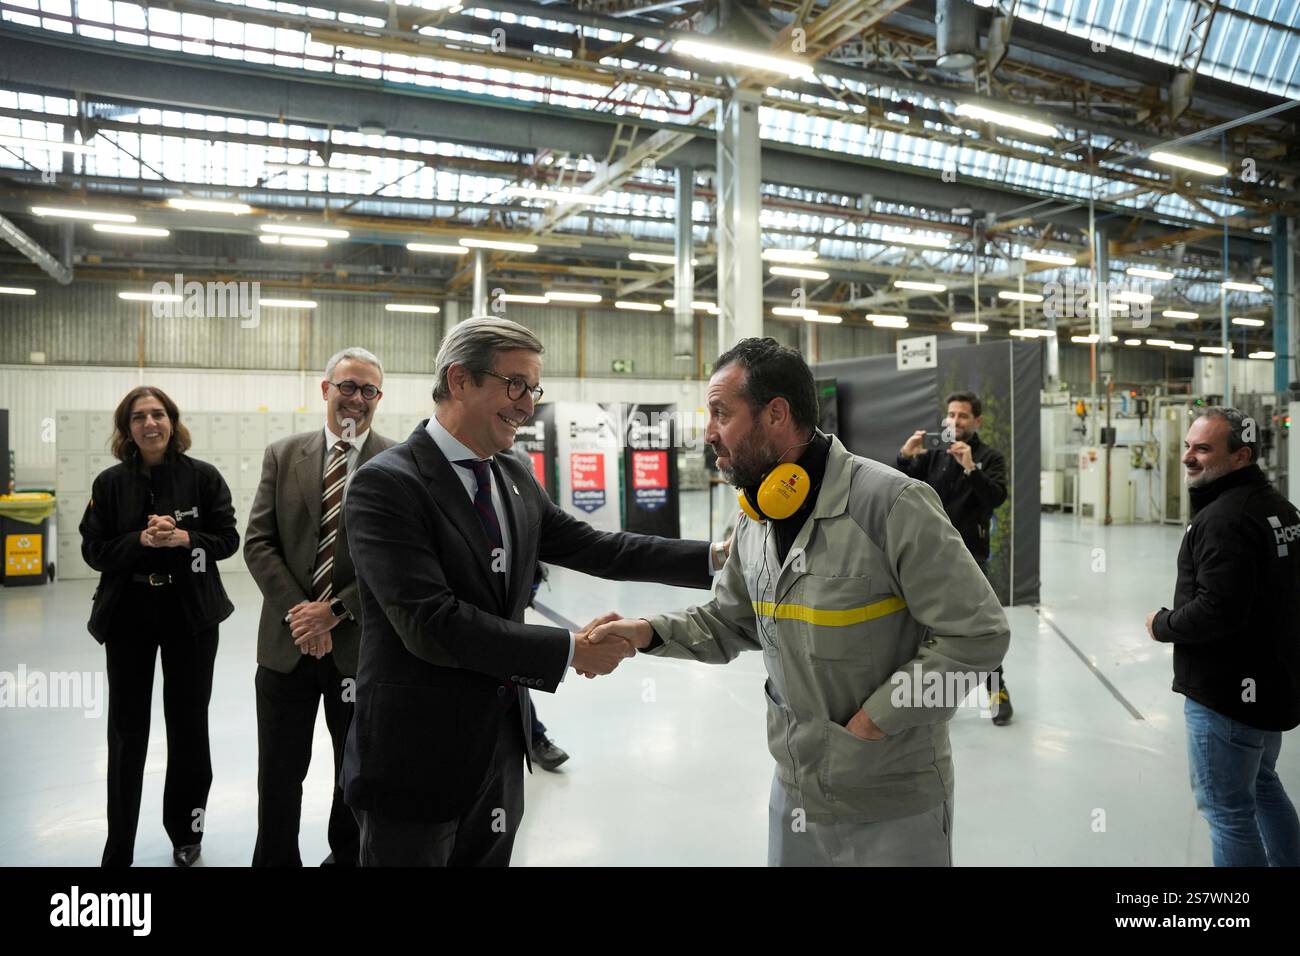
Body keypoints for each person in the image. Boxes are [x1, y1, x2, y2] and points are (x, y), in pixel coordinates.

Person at [589, 338, 1008, 866]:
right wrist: (646, 632)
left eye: (722, 412)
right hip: (793, 789)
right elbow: (731, 618)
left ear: (777, 414)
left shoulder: (891, 504)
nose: (710, 432)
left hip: (891, 800)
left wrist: (876, 720)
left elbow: (980, 635)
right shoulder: (756, 517)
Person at [340, 316, 727, 866]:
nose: (526, 404)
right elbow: (432, 623)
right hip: (414, 754)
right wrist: (571, 649)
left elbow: (598, 547)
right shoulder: (388, 483)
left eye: (533, 388)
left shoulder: (512, 472)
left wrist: (716, 558)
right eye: (514, 384)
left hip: (499, 748)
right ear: (459, 380)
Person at [244, 347, 395, 866]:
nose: (356, 399)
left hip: (360, 651)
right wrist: (303, 615)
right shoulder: (283, 455)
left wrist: (337, 611)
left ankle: (345, 859)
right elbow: (258, 543)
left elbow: (398, 559)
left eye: (368, 390)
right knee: (280, 774)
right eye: (347, 386)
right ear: (325, 389)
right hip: (286, 649)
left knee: (352, 773)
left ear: (379, 398)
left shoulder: (398, 464)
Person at [80, 386, 239, 867]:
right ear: (126, 429)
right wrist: (139, 539)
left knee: (189, 728)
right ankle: (119, 846)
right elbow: (93, 550)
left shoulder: (204, 478)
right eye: (138, 417)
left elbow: (228, 539)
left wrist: (186, 536)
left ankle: (186, 835)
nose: (150, 423)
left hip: (191, 617)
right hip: (129, 617)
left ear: (172, 421)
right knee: (127, 733)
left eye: (158, 414)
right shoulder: (109, 484)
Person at [1146, 407, 1300, 867]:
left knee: (1227, 810)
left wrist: (1162, 624)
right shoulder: (1279, 507)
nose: (1189, 457)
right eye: (1188, 446)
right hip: (1268, 682)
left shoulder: (1225, 520)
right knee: (1261, 783)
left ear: (1241, 457)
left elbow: (1217, 612)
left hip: (1227, 693)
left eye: (1204, 448)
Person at [897, 391, 1012, 724]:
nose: (955, 421)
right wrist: (905, 458)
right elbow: (901, 488)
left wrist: (971, 469)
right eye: (951, 414)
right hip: (928, 556)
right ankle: (935, 697)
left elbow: (996, 498)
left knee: (980, 629)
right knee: (924, 630)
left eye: (962, 415)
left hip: (970, 557)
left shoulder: (989, 458)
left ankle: (997, 690)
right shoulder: (932, 456)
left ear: (977, 421)